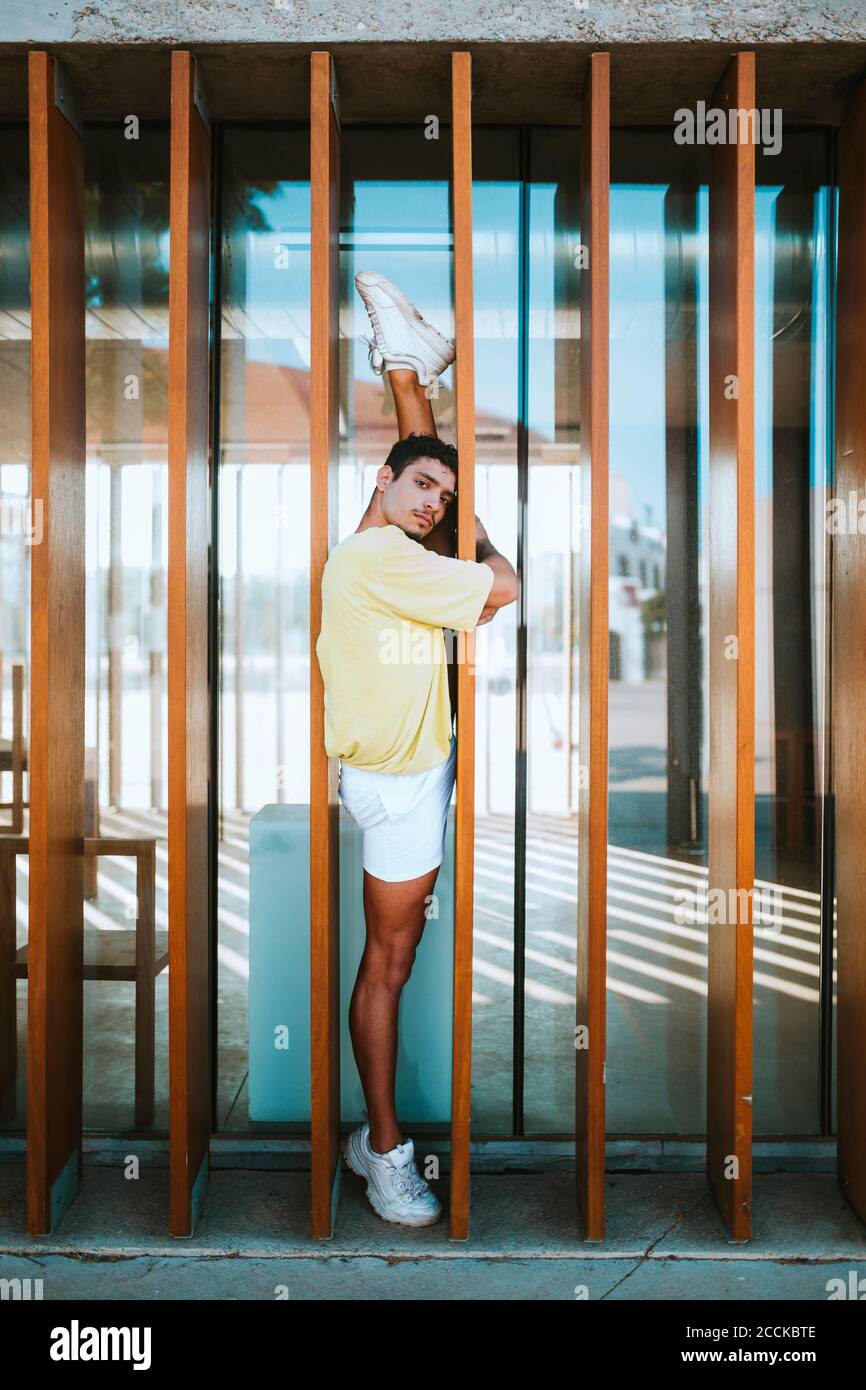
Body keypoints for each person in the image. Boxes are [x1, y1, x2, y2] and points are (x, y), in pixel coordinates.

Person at [315, 270, 518, 1227]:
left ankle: (408, 365)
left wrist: (433, 476)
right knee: (387, 968)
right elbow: (502, 587)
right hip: (400, 786)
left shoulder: (365, 549)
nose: (434, 502)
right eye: (421, 485)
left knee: (386, 962)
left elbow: (433, 537)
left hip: (392, 769)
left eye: (445, 491)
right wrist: (474, 525)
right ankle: (382, 1148)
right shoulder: (381, 559)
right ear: (381, 483)